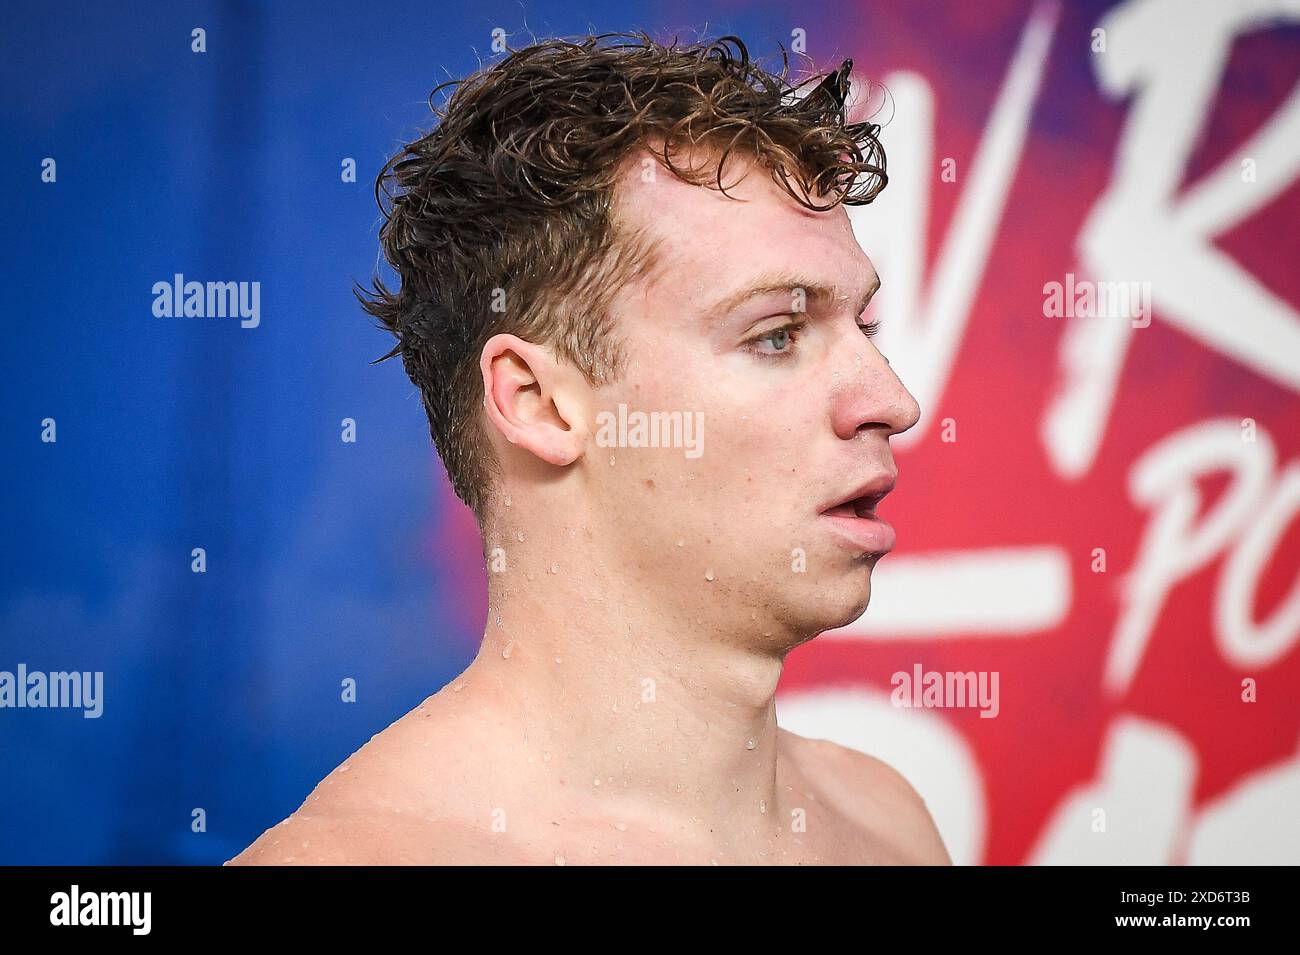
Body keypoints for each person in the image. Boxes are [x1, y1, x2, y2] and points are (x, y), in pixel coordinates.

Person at [229, 31, 950, 865]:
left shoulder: (887, 824)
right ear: (536, 403)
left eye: (863, 327)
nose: (894, 402)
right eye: (778, 334)